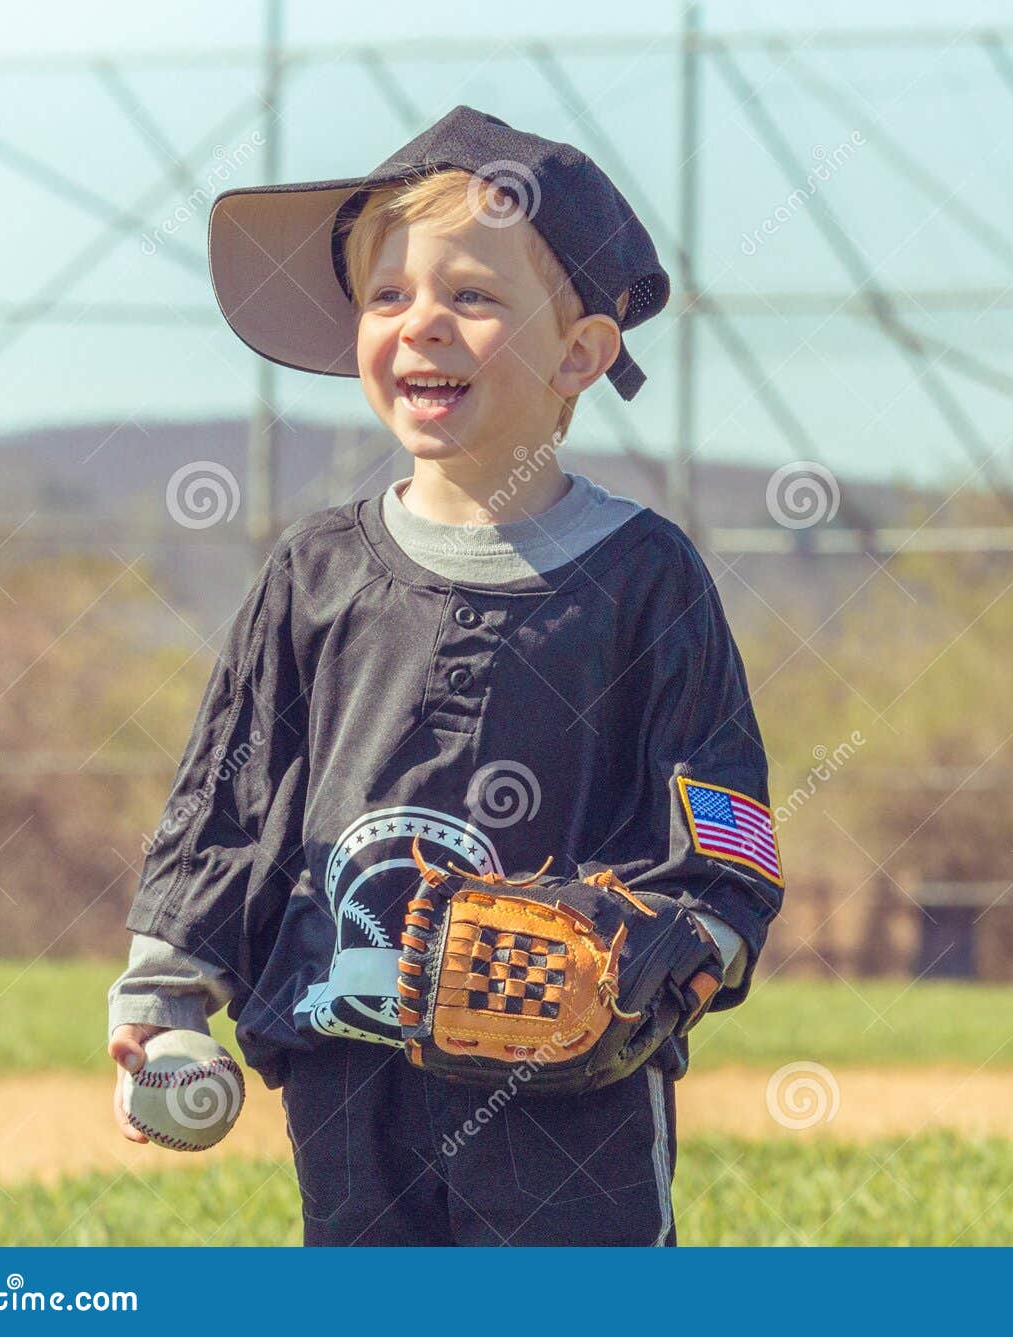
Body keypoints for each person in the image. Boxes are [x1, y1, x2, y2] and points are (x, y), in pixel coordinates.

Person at [107, 105, 784, 1246]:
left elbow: (723, 834)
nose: (420, 325)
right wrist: (167, 1000)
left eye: (471, 298)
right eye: (387, 297)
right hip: (344, 1060)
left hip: (564, 1085)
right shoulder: (317, 571)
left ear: (579, 351)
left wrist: (677, 950)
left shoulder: (643, 578)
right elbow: (229, 800)